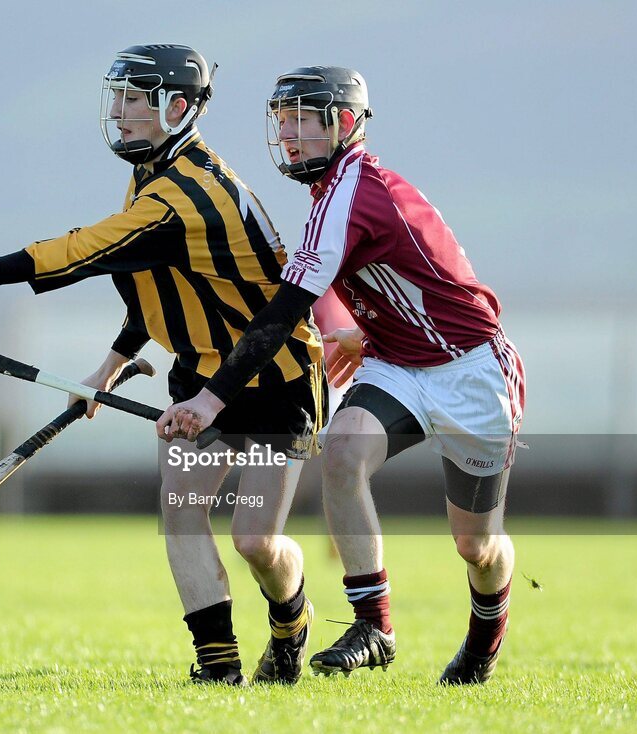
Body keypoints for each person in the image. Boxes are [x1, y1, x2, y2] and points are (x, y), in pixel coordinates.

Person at [0, 45, 327, 686]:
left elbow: (85, 250)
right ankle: (218, 667)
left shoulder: (189, 194)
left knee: (255, 540)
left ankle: (291, 620)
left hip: (272, 374)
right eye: (115, 97)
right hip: (198, 373)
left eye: (133, 100)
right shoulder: (152, 176)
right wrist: (112, 365)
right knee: (181, 516)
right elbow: (154, 284)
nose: (117, 113)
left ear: (177, 108)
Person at [157, 66, 525, 685]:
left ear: (345, 124)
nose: (289, 133)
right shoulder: (330, 191)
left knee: (477, 548)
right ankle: (374, 625)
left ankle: (483, 642)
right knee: (342, 453)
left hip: (472, 371)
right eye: (282, 120)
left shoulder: (354, 190)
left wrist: (214, 399)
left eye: (304, 119)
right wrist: (360, 330)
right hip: (396, 364)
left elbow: (286, 309)